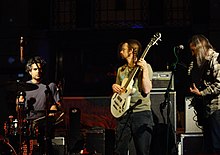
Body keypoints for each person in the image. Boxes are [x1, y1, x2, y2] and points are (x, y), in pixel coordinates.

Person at [112, 39, 154, 155]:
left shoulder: (146, 67)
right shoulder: (121, 70)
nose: (121, 52)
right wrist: (115, 87)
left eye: (124, 49)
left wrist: (144, 69)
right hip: (124, 114)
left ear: (131, 51)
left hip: (141, 113)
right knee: (119, 150)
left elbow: (146, 89)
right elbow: (119, 93)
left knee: (142, 150)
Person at [16, 56, 61, 155]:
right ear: (29, 71)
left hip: (44, 125)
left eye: (40, 69)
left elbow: (57, 105)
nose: (38, 71)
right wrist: (20, 103)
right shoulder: (23, 87)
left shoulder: (50, 86)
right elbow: (18, 109)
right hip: (28, 125)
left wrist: (53, 110)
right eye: (35, 69)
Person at [188, 34, 220, 154]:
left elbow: (219, 84)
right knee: (208, 144)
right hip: (207, 109)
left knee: (216, 144)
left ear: (200, 49)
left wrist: (202, 93)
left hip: (217, 108)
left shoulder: (216, 59)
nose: (192, 54)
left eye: (193, 51)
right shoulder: (200, 63)